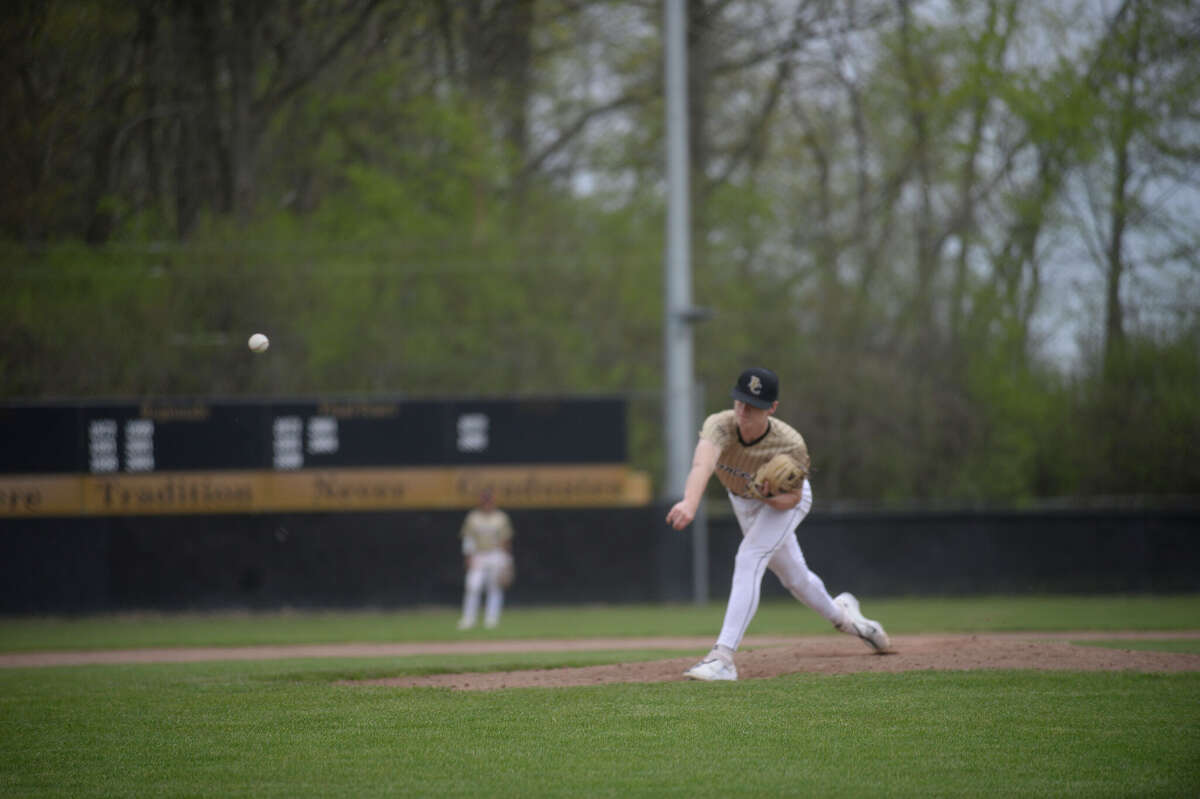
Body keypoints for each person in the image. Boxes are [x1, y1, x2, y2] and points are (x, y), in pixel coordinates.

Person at [666, 367, 891, 681]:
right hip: (742, 501)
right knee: (794, 578)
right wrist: (690, 502)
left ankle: (723, 657)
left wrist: (769, 497)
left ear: (771, 408)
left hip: (783, 504)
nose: (743, 410)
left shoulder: (790, 443)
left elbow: (794, 497)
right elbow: (702, 464)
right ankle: (850, 620)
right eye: (740, 401)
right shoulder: (720, 426)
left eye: (752, 405)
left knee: (749, 557)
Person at [457, 490, 515, 630]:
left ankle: (491, 619)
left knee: (494, 587)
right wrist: (468, 557)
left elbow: (506, 540)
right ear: (480, 502)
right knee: (473, 586)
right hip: (479, 554)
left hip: (496, 554)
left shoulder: (500, 517)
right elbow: (468, 539)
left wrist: (507, 560)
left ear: (493, 502)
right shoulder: (473, 517)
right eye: (484, 501)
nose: (487, 503)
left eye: (489, 501)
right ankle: (469, 619)